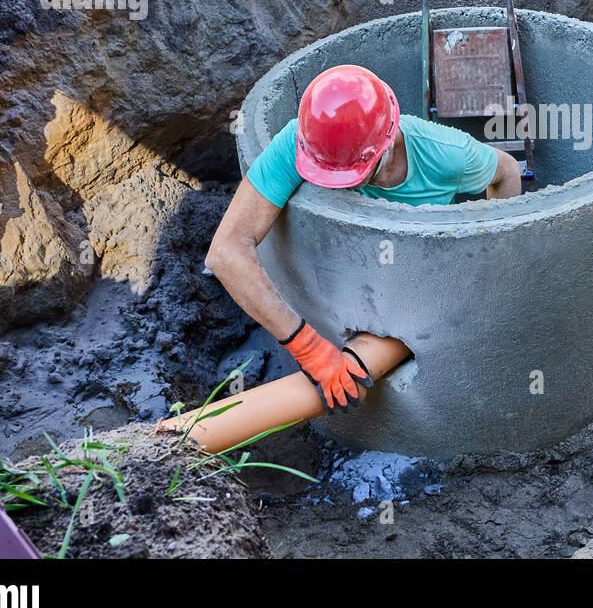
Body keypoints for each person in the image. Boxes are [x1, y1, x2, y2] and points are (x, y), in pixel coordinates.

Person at [204, 64, 521, 411]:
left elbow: (506, 172)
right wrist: (308, 347)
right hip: (339, 295)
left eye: (347, 176)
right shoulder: (303, 143)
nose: (330, 184)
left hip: (423, 291)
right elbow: (226, 253)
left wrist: (489, 264)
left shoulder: (447, 154)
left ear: (384, 149)